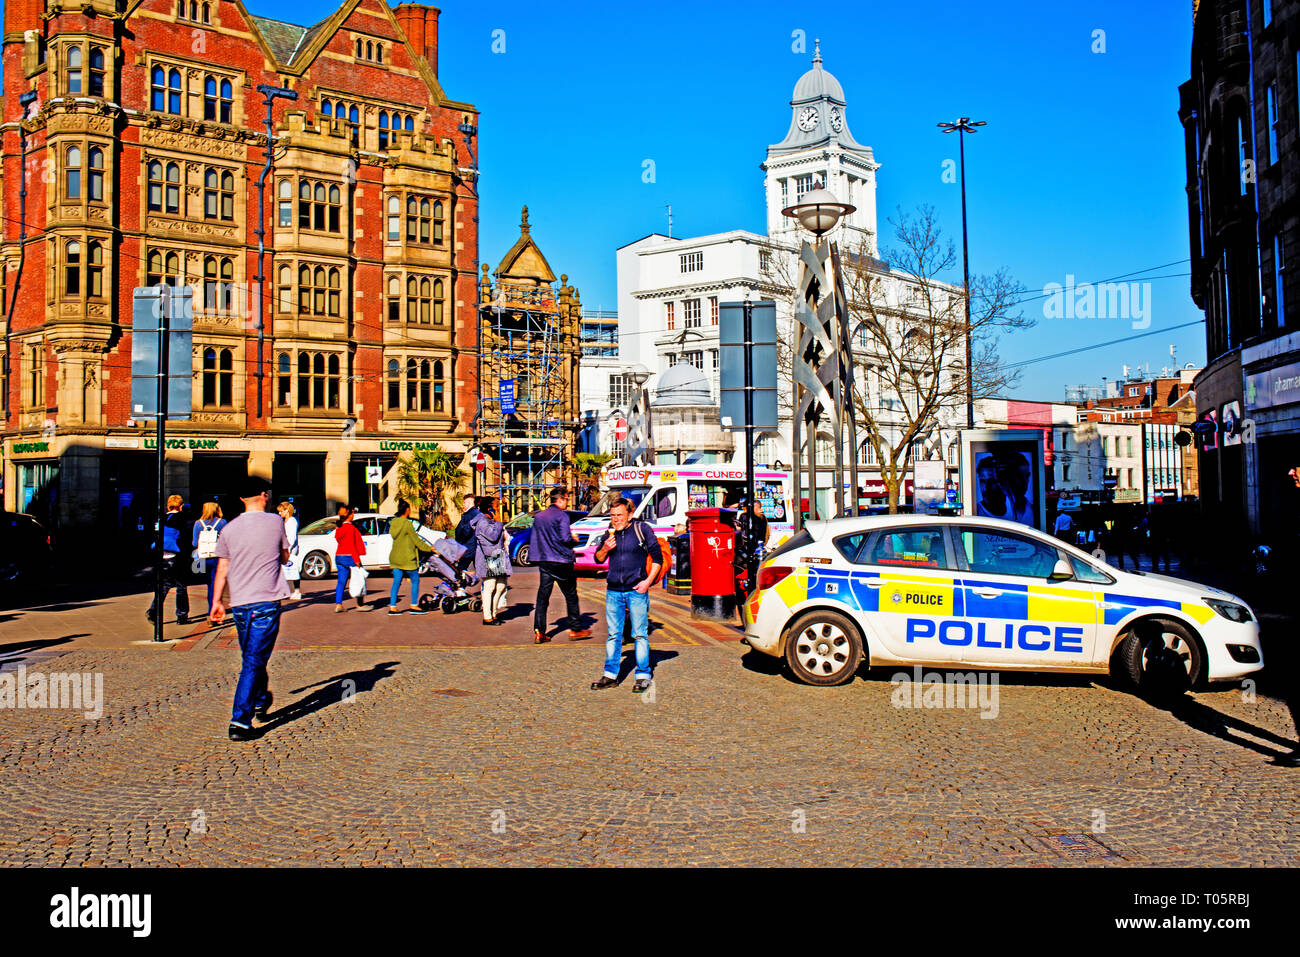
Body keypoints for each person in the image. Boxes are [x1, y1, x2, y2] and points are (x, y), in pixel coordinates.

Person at [207, 476, 291, 742]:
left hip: (240, 604)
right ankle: (240, 721)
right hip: (266, 601)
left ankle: (260, 698)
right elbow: (286, 557)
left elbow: (222, 568)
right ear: (264, 496)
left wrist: (216, 602)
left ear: (241, 499)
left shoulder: (228, 529)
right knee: (253, 661)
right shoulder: (277, 522)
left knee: (253, 659)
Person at [591, 497, 664, 693]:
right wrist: (606, 548)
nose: (616, 519)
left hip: (636, 590)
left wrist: (647, 582)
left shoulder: (642, 530)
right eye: (613, 516)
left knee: (639, 634)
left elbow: (658, 557)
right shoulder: (609, 533)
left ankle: (643, 675)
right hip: (613, 590)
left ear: (630, 514)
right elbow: (598, 559)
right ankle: (610, 675)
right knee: (614, 635)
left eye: (620, 515)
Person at [531, 486, 591, 643]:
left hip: (545, 561)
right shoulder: (562, 516)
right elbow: (565, 539)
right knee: (571, 595)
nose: (567, 503)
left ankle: (539, 631)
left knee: (542, 597)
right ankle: (575, 628)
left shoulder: (539, 516)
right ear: (560, 499)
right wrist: (574, 539)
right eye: (566, 499)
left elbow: (537, 539)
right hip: (562, 561)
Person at [147, 494, 192, 625]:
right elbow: (186, 538)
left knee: (164, 586)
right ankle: (182, 616)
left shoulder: (162, 518)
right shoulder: (182, 518)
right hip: (176, 555)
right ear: (181, 506)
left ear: (168, 505)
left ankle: (153, 610)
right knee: (181, 586)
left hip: (161, 555)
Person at [470, 497, 511, 625]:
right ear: (489, 508)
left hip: (496, 556)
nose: (499, 509)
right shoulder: (482, 522)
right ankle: (487, 616)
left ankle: (493, 613)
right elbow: (492, 537)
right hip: (490, 557)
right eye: (496, 507)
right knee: (490, 586)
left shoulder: (489, 521)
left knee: (501, 585)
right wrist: (499, 523)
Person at [388, 499, 433, 615]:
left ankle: (392, 607)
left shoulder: (393, 523)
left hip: (395, 557)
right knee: (415, 580)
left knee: (396, 582)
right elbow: (416, 541)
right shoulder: (407, 524)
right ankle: (414, 605)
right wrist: (430, 548)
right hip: (407, 557)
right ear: (407, 510)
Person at [334, 505, 371, 612]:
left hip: (339, 555)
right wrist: (357, 560)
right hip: (350, 556)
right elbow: (352, 545)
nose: (354, 515)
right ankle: (360, 604)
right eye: (352, 513)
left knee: (341, 581)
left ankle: (339, 604)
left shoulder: (339, 527)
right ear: (349, 515)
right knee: (360, 578)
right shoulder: (351, 528)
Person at [192, 501, 227, 614]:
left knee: (208, 583)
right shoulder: (222, 522)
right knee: (214, 585)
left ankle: (212, 608)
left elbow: (194, 543)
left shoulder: (198, 523)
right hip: (217, 557)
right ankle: (212, 610)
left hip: (202, 558)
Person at [277, 501, 302, 600]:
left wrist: (288, 549)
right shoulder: (286, 521)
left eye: (281, 511)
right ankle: (285, 591)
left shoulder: (292, 521)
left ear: (287, 511)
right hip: (285, 547)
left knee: (293, 569)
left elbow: (292, 537)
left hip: (290, 549)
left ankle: (297, 591)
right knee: (284, 570)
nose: (279, 513)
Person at [455, 493, 480, 571]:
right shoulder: (477, 513)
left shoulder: (469, 515)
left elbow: (466, 531)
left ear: (469, 503)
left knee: (460, 569)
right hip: (476, 546)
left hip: (468, 547)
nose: (463, 504)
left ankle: (461, 582)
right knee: (480, 569)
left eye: (464, 502)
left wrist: (460, 541)